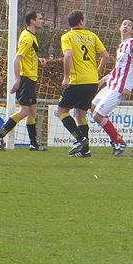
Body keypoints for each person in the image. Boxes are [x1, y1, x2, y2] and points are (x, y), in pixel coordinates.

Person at [0, 9, 45, 151]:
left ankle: (34, 144)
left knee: (32, 111)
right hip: (26, 79)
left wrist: (38, 60)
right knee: (24, 112)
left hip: (31, 78)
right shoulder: (27, 38)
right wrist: (18, 80)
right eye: (39, 18)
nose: (42, 20)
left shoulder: (30, 36)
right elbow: (17, 59)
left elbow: (28, 56)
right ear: (32, 21)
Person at [90, 18, 133, 157]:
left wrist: (129, 87)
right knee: (93, 106)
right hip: (111, 84)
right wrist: (103, 80)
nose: (126, 26)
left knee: (97, 115)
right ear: (120, 28)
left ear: (132, 30)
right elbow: (118, 69)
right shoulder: (120, 46)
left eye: (129, 25)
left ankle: (118, 141)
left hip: (119, 88)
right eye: (124, 24)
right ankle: (116, 139)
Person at [57, 10, 108, 158]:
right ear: (81, 22)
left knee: (61, 111)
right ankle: (86, 151)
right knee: (80, 114)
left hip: (77, 81)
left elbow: (68, 55)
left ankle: (80, 140)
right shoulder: (92, 36)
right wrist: (97, 71)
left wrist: (66, 77)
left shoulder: (67, 37)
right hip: (92, 82)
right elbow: (105, 56)